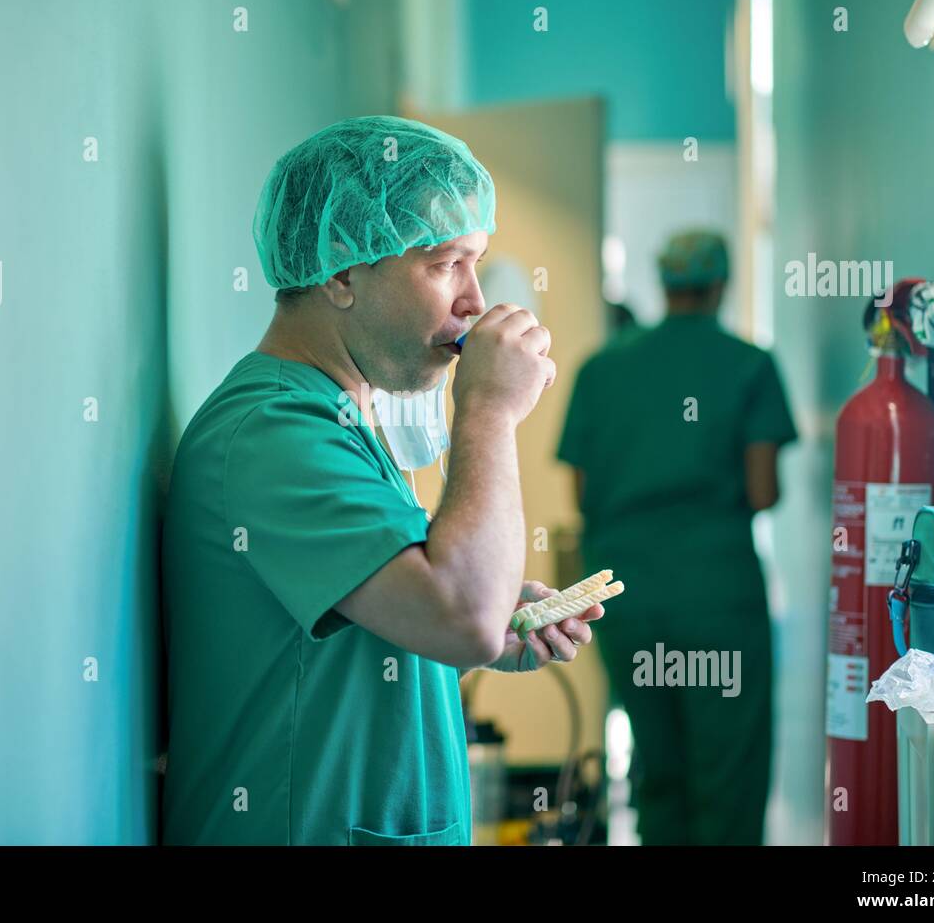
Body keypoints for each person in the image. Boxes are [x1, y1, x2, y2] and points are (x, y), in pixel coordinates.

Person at [161, 115, 605, 845]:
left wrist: (498, 624)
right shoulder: (275, 436)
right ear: (340, 271)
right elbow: (455, 615)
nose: (473, 300)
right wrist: (489, 411)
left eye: (476, 262)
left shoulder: (340, 422)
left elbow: (409, 627)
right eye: (443, 265)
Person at [557, 229, 797, 845]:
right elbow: (764, 490)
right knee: (728, 777)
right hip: (717, 597)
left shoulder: (602, 368)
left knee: (659, 772)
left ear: (663, 284)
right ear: (720, 285)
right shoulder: (749, 364)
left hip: (628, 597)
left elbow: (582, 494)